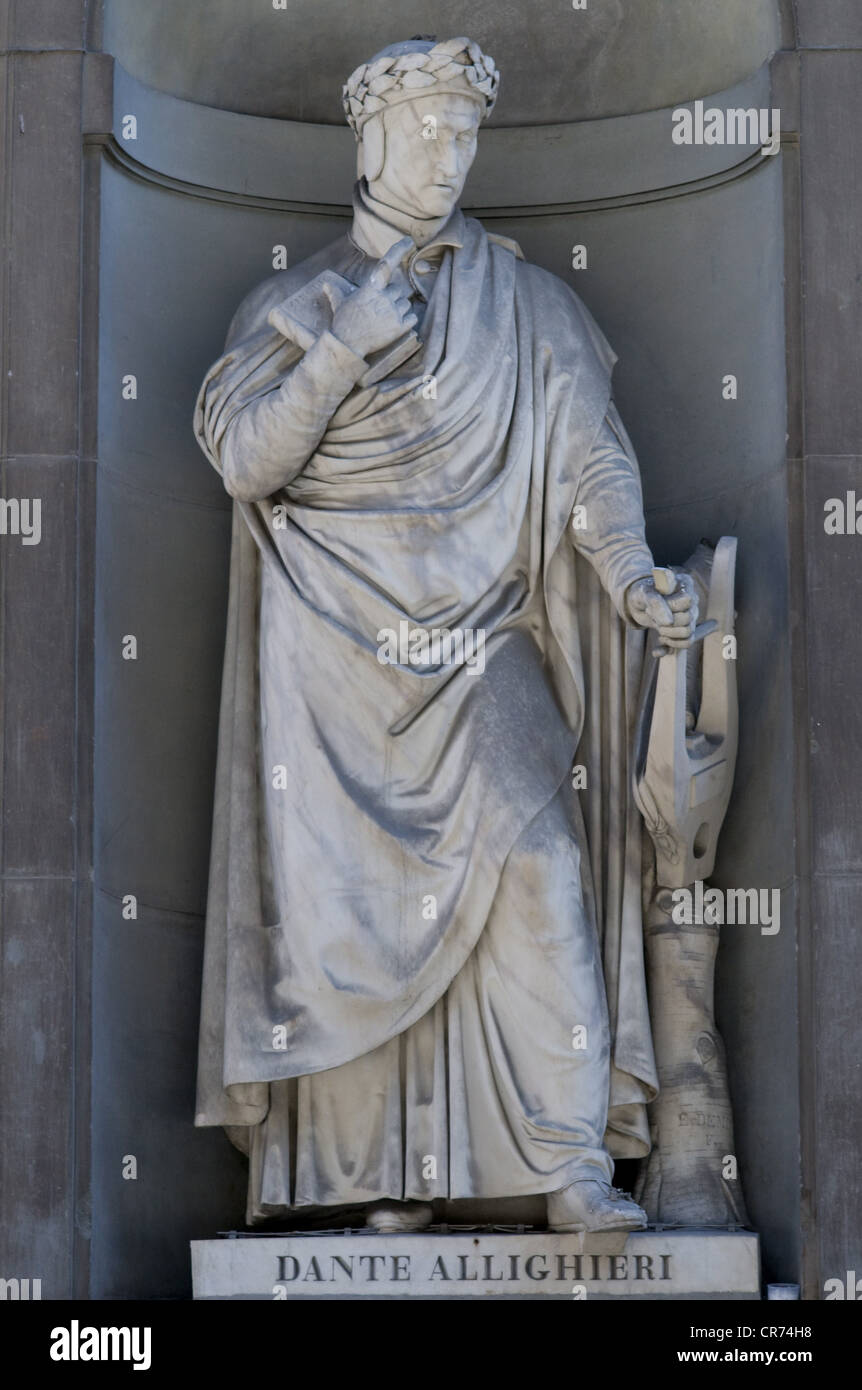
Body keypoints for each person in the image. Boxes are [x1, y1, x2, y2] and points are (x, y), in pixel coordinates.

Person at [193, 37, 697, 1234]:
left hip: (482, 644)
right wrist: (339, 350)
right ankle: (387, 1176)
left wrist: (626, 571)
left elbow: (590, 457)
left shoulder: (531, 306)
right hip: (333, 664)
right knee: (353, 909)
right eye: (425, 130)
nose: (446, 153)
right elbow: (243, 458)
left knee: (541, 862)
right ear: (369, 142)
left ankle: (569, 1161)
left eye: (463, 134)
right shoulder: (296, 302)